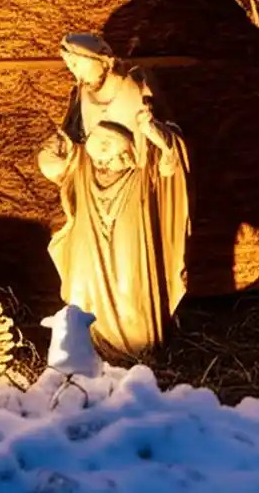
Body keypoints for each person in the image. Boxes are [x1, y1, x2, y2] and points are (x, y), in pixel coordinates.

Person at [38, 113, 189, 356]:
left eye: (108, 160)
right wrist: (55, 150)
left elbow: (171, 164)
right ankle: (89, 346)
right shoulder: (85, 168)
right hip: (88, 251)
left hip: (129, 248)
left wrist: (157, 137)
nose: (102, 166)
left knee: (131, 296)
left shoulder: (143, 174)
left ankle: (134, 350)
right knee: (82, 292)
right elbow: (55, 164)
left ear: (127, 156)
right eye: (97, 160)